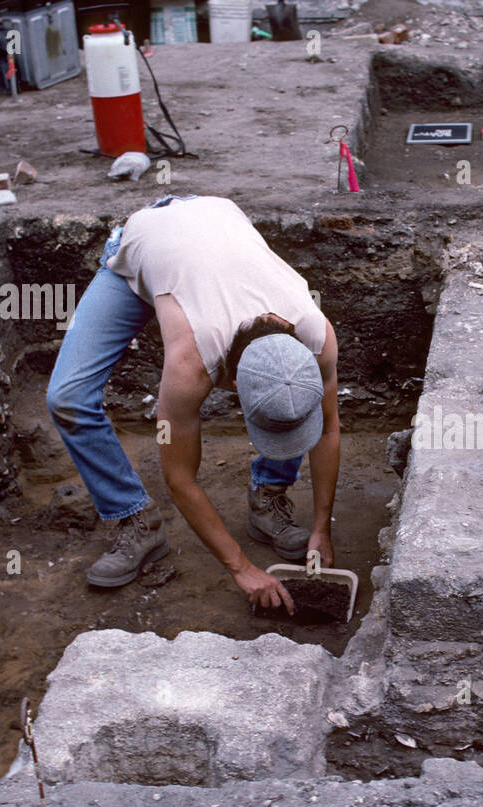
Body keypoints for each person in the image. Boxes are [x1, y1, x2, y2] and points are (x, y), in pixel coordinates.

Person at [45, 195, 340, 614]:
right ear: (231, 383)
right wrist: (240, 567)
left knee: (290, 405)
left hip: (217, 221)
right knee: (66, 398)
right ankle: (134, 519)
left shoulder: (317, 335)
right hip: (146, 241)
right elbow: (181, 478)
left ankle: (269, 495)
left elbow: (327, 427)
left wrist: (321, 527)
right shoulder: (191, 365)